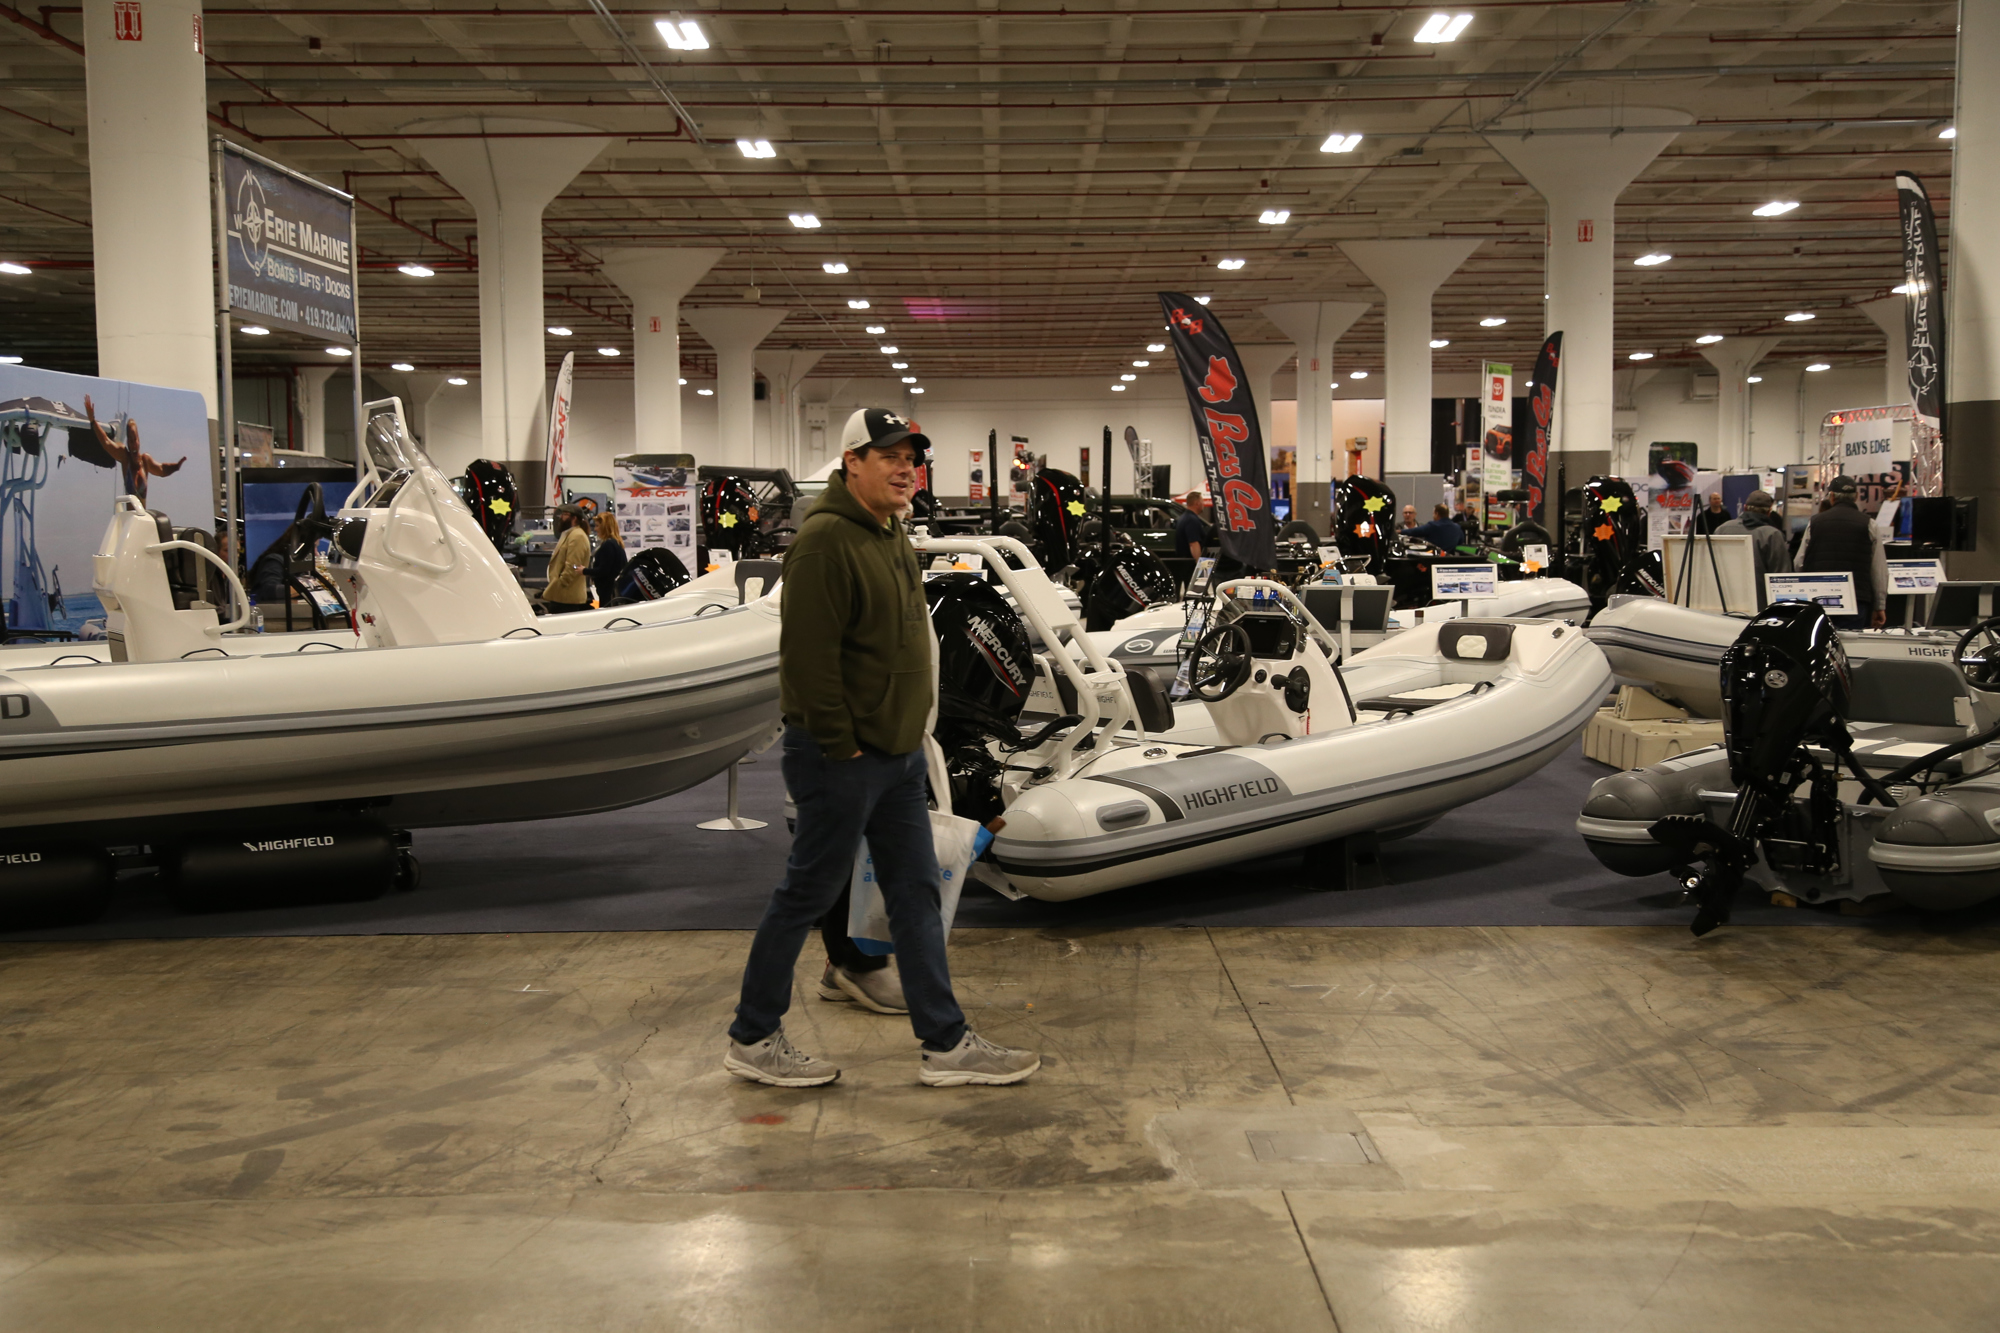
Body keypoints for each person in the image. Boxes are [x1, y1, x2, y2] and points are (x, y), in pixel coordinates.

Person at [725, 407, 1038, 1089]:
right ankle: (752, 1035)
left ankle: (946, 1044)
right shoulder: (825, 541)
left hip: (896, 757)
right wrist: (843, 747)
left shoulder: (891, 530)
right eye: (889, 456)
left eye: (911, 458)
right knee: (806, 893)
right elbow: (808, 661)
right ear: (852, 462)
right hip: (844, 758)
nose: (905, 469)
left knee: (917, 893)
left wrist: (910, 733)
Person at [1797, 475, 1888, 628]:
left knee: (1820, 640)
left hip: (1819, 597)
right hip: (1856, 599)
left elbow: (1799, 562)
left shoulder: (1815, 522)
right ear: (1856, 496)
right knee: (1851, 642)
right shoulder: (1869, 524)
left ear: (1831, 496)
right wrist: (1880, 605)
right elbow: (1878, 569)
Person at [83, 394, 186, 505]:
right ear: (127, 442)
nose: (133, 444)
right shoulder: (124, 457)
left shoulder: (146, 461)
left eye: (135, 439)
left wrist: (176, 466)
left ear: (139, 440)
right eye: (130, 440)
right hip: (130, 514)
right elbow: (106, 442)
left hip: (142, 514)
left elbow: (162, 469)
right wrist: (92, 421)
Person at [1714, 489, 1791, 607]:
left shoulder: (1722, 529)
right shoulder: (1773, 535)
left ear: (1744, 508)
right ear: (1769, 512)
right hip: (1759, 605)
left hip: (1724, 602)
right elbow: (1782, 576)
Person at [541, 503, 593, 613]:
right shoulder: (569, 534)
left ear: (574, 518)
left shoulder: (577, 536)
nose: (561, 517)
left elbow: (574, 565)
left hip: (566, 595)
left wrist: (561, 583)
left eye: (565, 514)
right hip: (561, 595)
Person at [589, 511, 626, 606]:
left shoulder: (608, 545)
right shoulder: (617, 544)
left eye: (597, 526)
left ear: (605, 527)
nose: (595, 529)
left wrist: (584, 571)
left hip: (608, 592)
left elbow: (603, 570)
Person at [1171, 491, 1210, 560]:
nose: (1203, 504)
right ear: (1197, 503)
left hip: (1183, 560)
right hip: (1190, 562)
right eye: (1202, 501)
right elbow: (1193, 544)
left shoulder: (1183, 518)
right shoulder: (1191, 520)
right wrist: (1199, 564)